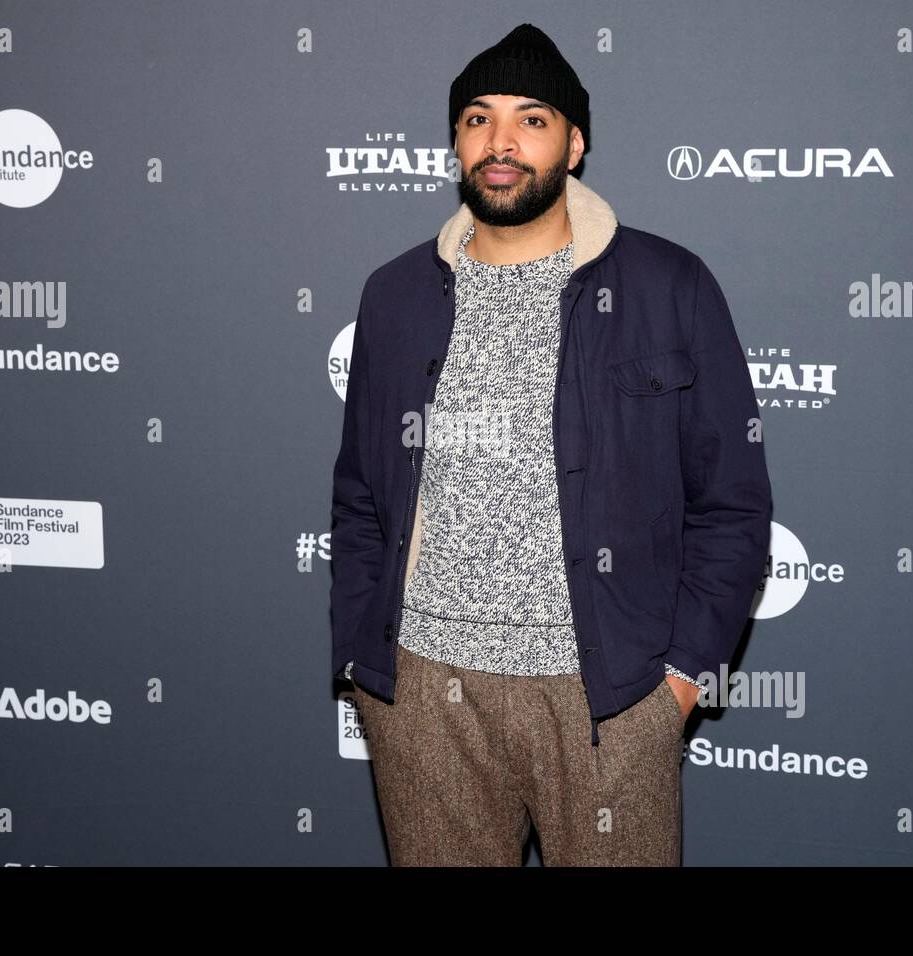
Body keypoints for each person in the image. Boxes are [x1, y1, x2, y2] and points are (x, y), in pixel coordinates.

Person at [330, 22, 773, 865]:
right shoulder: (393, 294)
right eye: (478, 118)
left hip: (609, 696)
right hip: (421, 694)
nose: (501, 141)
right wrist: (361, 662)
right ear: (457, 144)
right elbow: (360, 492)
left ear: (575, 144)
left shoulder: (666, 285)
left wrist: (675, 686)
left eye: (532, 119)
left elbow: (732, 503)